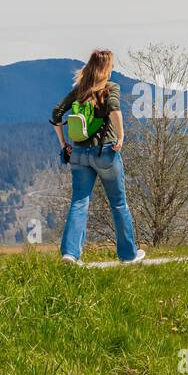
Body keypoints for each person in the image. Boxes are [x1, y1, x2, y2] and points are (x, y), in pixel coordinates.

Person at [50, 50, 146, 265]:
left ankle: (71, 254)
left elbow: (56, 113)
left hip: (80, 155)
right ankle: (128, 255)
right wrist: (121, 137)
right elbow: (114, 109)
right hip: (105, 153)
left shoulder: (79, 91)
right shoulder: (110, 88)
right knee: (118, 204)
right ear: (106, 69)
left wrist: (64, 143)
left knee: (79, 203)